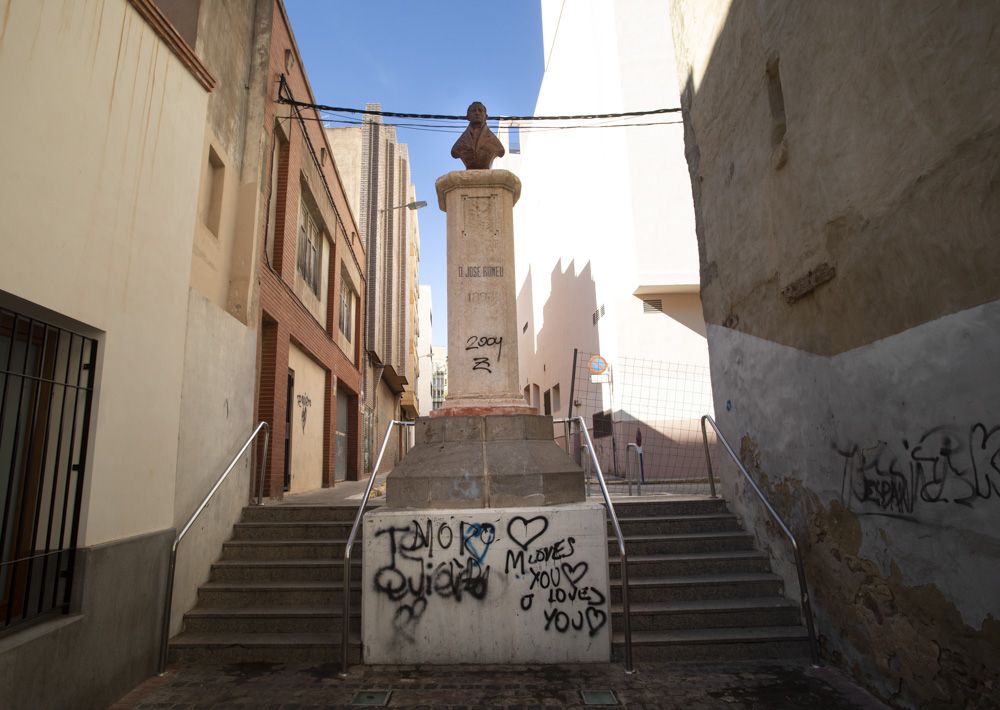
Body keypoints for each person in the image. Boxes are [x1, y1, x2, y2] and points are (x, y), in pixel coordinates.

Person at [451, 101, 505, 169]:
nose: (477, 113)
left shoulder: (495, 143)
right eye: (474, 111)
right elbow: (454, 152)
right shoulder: (460, 143)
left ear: (486, 117)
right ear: (468, 117)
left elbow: (501, 150)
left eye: (480, 110)